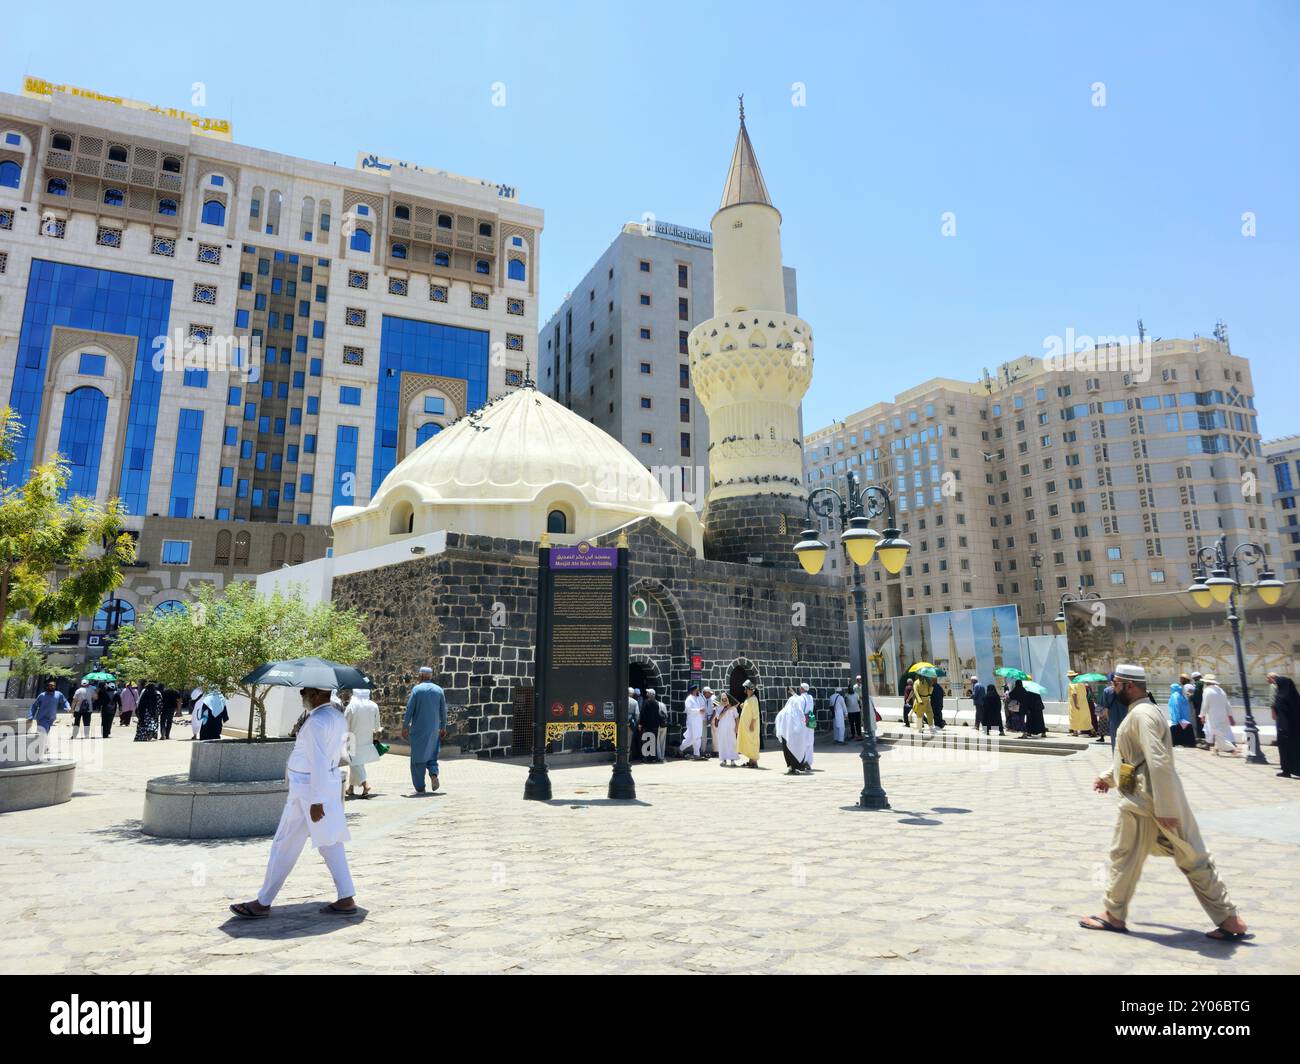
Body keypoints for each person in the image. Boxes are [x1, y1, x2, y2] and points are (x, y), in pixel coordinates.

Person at [1079, 663, 1247, 942]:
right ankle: (1229, 918)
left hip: (1143, 802)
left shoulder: (1142, 715)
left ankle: (1114, 915)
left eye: (1117, 684)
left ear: (1128, 686)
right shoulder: (1145, 712)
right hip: (1156, 798)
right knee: (1192, 857)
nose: (1113, 689)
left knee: (1124, 857)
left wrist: (1165, 808)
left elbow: (1157, 761)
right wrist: (1108, 778)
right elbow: (1132, 758)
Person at [230, 686, 357, 920]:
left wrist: (317, 800)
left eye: (304, 692)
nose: (302, 697)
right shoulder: (337, 717)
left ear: (317, 694)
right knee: (330, 843)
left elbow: (318, 759)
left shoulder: (317, 722)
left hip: (308, 791)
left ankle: (262, 902)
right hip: (321, 786)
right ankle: (346, 897)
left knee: (285, 844)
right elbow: (338, 752)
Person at [402, 666, 446, 795]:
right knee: (432, 755)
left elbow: (409, 710)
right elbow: (443, 711)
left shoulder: (417, 690)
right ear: (431, 676)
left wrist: (405, 727)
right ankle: (433, 773)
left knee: (417, 760)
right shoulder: (439, 690)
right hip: (434, 730)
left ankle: (420, 787)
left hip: (418, 730)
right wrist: (443, 727)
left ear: (420, 676)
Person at [344, 688, 381, 799]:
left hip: (352, 738)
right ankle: (351, 788)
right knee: (357, 762)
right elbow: (376, 725)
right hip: (367, 738)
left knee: (354, 762)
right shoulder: (374, 706)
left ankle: (365, 784)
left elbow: (344, 722)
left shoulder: (352, 706)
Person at [1266, 673, 1300, 779]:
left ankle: (1286, 771)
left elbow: (1282, 715)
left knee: (1285, 751)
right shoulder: (1295, 697)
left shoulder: (1281, 697)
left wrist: (1282, 728)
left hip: (1284, 729)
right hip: (1296, 729)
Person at [775, 687, 813, 775]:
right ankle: (804, 763)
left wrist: (793, 693)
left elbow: (778, 720)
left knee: (792, 749)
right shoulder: (809, 698)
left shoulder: (785, 710)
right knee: (806, 743)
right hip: (807, 722)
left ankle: (795, 766)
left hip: (789, 733)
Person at [28, 681, 68, 761]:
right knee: (42, 733)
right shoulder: (42, 696)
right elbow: (34, 706)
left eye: (53, 686)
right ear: (47, 687)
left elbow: (64, 701)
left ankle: (43, 747)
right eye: (49, 686)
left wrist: (68, 707)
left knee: (45, 733)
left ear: (55, 687)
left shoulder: (58, 694)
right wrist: (30, 716)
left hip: (51, 718)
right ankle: (40, 750)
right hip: (42, 718)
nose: (51, 687)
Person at [1199, 675, 1238, 756]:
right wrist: (1230, 716)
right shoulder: (1221, 690)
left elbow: (1205, 704)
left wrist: (1202, 715)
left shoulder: (1207, 691)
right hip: (1223, 715)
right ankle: (1215, 749)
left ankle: (1232, 749)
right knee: (1219, 733)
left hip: (1213, 715)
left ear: (1206, 682)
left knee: (1217, 733)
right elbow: (1227, 704)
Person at [737, 680, 761, 768]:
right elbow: (748, 709)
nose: (745, 691)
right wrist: (743, 706)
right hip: (747, 727)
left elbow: (755, 714)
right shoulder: (749, 699)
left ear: (750, 689)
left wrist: (752, 724)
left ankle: (754, 761)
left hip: (752, 726)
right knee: (749, 742)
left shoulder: (754, 699)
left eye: (746, 689)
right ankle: (751, 761)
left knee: (753, 742)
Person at [681, 683, 706, 760]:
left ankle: (696, 754)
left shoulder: (698, 698)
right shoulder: (689, 699)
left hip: (698, 721)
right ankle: (680, 749)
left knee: (698, 737)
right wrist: (699, 710)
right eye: (696, 690)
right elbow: (689, 710)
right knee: (692, 738)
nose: (698, 691)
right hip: (692, 721)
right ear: (693, 691)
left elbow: (703, 704)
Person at [1168, 682, 1196, 748]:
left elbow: (1175, 708)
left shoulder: (1176, 695)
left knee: (1177, 734)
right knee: (1187, 735)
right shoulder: (1180, 695)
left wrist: (1176, 719)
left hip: (1179, 720)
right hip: (1184, 719)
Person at [714, 693, 739, 766]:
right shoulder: (718, 708)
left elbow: (737, 717)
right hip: (722, 729)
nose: (724, 701)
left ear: (728, 699)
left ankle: (732, 760)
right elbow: (718, 717)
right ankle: (724, 760)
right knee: (722, 743)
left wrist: (737, 727)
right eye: (723, 699)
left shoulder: (733, 708)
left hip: (731, 729)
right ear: (721, 700)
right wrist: (725, 709)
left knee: (732, 743)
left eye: (725, 699)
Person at [639, 688, 662, 763]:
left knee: (646, 741)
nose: (646, 693)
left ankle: (646, 757)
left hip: (647, 725)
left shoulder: (646, 702)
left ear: (650, 694)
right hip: (655, 725)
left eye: (648, 692)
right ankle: (652, 758)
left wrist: (640, 724)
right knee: (653, 741)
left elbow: (642, 714)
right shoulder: (656, 703)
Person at [1067, 672, 1092, 736]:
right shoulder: (1082, 683)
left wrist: (1075, 704)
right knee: (1085, 718)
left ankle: (1075, 732)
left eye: (1069, 676)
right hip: (1084, 704)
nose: (1068, 677)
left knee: (1074, 718)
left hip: (1075, 704)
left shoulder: (1072, 684)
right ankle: (1092, 730)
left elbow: (1074, 694)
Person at [1188, 671, 1208, 748]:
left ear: (1195, 678)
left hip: (1199, 706)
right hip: (1205, 705)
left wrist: (1190, 696)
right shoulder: (1204, 683)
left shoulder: (1198, 684)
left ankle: (1201, 739)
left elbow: (1194, 695)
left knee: (1199, 722)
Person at [799, 683, 816, 768]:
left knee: (804, 741)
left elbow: (800, 710)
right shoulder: (810, 697)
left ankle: (804, 761)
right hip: (811, 717)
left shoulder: (801, 698)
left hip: (805, 718)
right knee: (810, 740)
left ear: (802, 689)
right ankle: (809, 762)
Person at [701, 686, 717, 758]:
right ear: (705, 693)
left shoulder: (714, 698)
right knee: (703, 735)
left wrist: (710, 720)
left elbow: (715, 710)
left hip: (713, 717)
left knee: (715, 735)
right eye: (709, 693)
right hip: (704, 718)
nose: (711, 694)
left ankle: (716, 751)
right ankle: (702, 751)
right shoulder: (700, 699)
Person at [626, 687, 640, 761]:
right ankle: (626, 759)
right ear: (632, 694)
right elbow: (637, 714)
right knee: (628, 743)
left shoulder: (622, 700)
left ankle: (619, 758)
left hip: (620, 724)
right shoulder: (635, 702)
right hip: (630, 724)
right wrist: (636, 723)